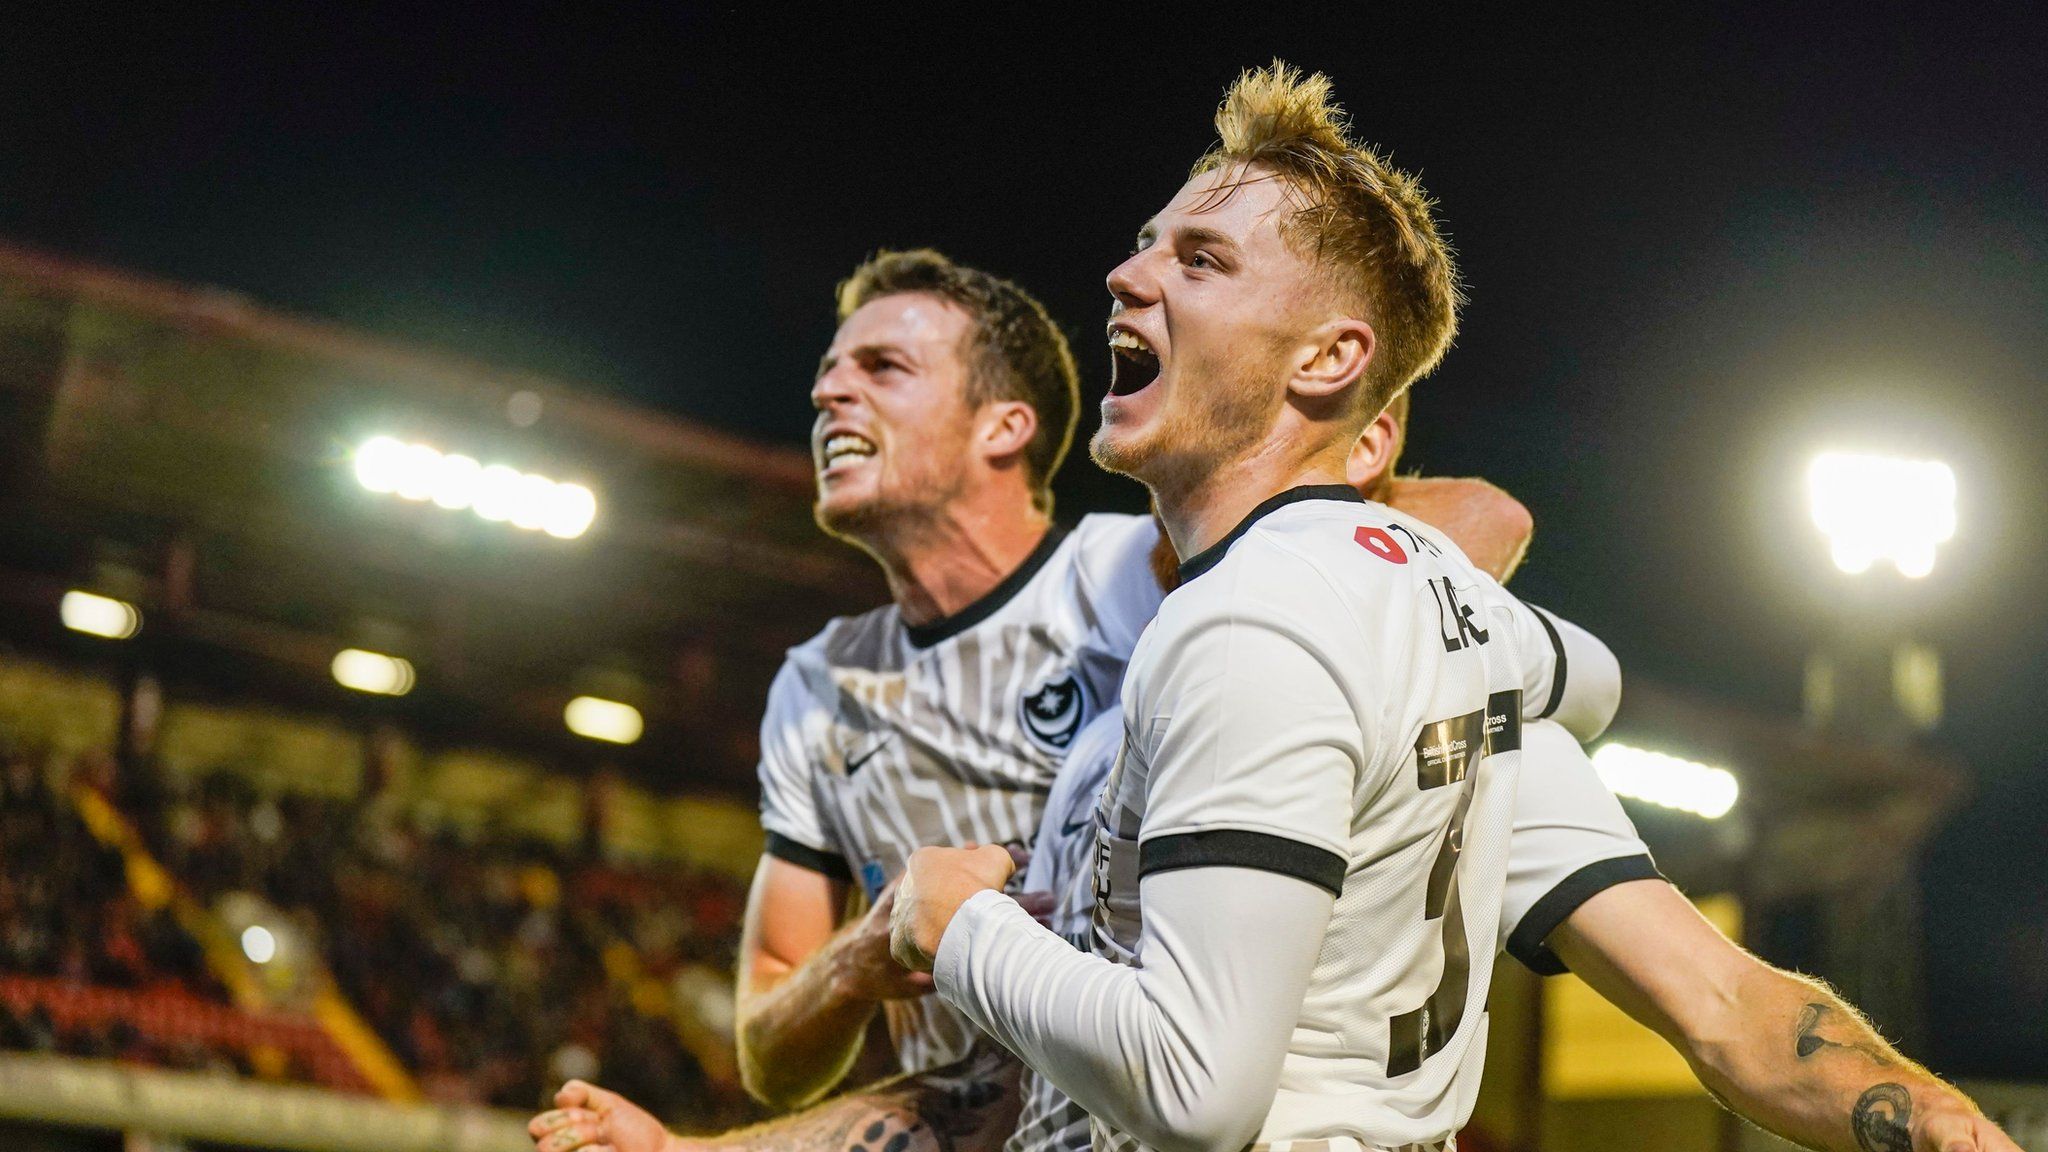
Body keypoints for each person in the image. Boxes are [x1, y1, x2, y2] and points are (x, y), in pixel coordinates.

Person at [886, 62, 2019, 1152]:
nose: (1127, 277)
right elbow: (1717, 996)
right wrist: (1929, 1118)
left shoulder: (1249, 625)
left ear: (1331, 361)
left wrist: (956, 925)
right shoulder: (1452, 648)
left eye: (1201, 259)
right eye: (1147, 244)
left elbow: (1194, 1092)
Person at [722, 248, 1605, 1116]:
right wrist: (859, 960)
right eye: (831, 370)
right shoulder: (817, 688)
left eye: (882, 367)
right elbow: (767, 1054)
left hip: (1150, 1101)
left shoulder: (1129, 573)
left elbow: (1485, 515)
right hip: (970, 1121)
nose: (828, 391)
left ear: (1004, 426)